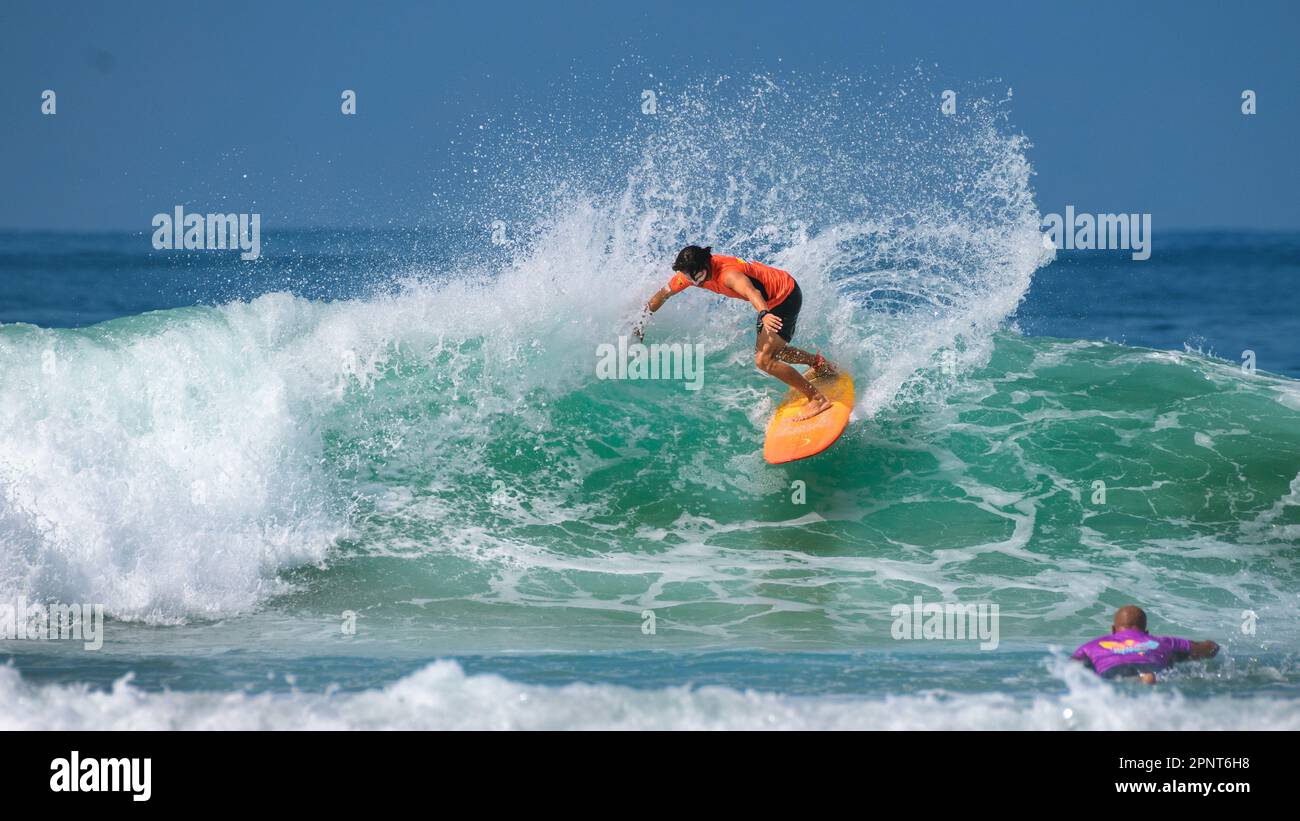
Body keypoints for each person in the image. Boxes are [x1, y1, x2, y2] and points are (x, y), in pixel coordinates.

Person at [635, 245, 836, 421]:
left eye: (692, 277)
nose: (689, 281)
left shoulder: (727, 274)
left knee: (764, 360)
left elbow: (752, 293)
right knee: (776, 353)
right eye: (686, 277)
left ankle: (818, 399)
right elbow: (663, 295)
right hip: (771, 301)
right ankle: (820, 365)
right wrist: (642, 320)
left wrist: (764, 313)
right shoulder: (692, 273)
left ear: (704, 268)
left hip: (783, 297)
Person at [1072, 605, 1219, 684]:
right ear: (1146, 632)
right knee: (1170, 663)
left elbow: (1069, 668)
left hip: (1110, 671)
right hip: (1151, 668)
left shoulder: (1091, 646)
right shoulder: (1162, 641)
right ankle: (1145, 679)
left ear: (1113, 630)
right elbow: (1209, 650)